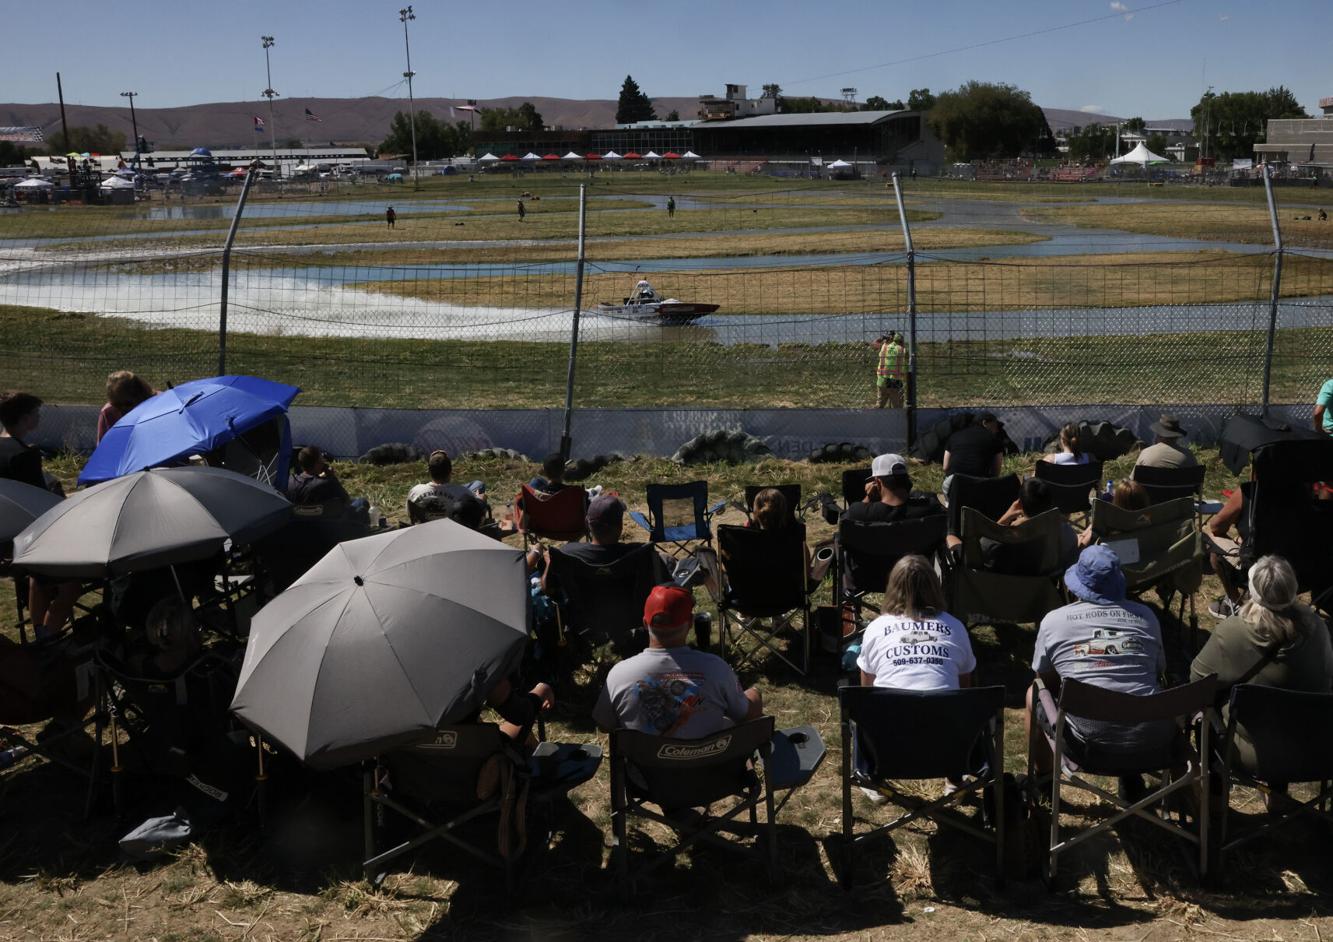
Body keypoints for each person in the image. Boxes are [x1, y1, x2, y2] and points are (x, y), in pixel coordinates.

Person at [1026, 545, 1172, 792]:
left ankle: (1044, 779)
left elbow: (1046, 683)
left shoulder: (1054, 621)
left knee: (1034, 693)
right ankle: (1131, 775)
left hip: (1085, 745)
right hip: (1148, 739)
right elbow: (1158, 671)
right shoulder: (1147, 616)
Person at [1190, 555, 1333, 801]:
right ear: (1294, 589)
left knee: (1206, 709)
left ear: (1253, 593)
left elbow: (1197, 682)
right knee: (1288, 698)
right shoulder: (1318, 627)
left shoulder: (1234, 632)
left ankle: (1214, 796)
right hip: (1316, 746)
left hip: (1257, 754)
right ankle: (1278, 791)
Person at [592, 584, 762, 738]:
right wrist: (755, 695)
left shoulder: (619, 674)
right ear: (689, 623)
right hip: (710, 769)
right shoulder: (716, 668)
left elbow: (604, 725)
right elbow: (746, 715)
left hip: (645, 770)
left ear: (645, 623)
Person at [857, 555, 975, 692]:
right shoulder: (956, 627)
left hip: (889, 710)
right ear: (935, 587)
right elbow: (964, 687)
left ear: (892, 587)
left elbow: (866, 691)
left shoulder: (875, 628)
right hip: (944, 711)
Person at [987, 477, 1079, 569]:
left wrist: (1005, 518)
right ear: (1050, 504)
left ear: (1020, 504)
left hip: (1004, 581)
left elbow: (983, 546)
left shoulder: (1007, 537)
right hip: (1041, 582)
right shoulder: (1065, 533)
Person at [844, 453, 944, 523]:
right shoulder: (930, 507)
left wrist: (868, 498)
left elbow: (846, 521)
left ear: (877, 483)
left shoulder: (858, 512)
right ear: (907, 480)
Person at [406, 450, 488, 529]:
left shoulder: (415, 491)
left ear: (429, 471)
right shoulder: (463, 493)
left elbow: (410, 514)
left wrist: (434, 460)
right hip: (454, 532)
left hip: (424, 531)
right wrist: (480, 501)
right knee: (479, 485)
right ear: (450, 471)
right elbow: (476, 516)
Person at [1077, 480, 1151, 548]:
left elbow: (1082, 546)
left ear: (1117, 501)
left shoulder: (1110, 522)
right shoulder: (1147, 522)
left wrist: (1092, 525)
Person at [942, 413, 1006, 486]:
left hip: (953, 485)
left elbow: (945, 467)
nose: (997, 430)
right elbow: (995, 472)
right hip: (977, 486)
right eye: (995, 426)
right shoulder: (995, 440)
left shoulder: (955, 436)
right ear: (984, 423)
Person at [286, 446, 351, 515]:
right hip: (324, 522)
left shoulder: (290, 481)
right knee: (361, 502)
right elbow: (346, 500)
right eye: (321, 460)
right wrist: (331, 476)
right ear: (317, 464)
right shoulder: (327, 483)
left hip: (297, 522)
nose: (323, 462)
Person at [97, 370, 155, 444]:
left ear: (141, 396)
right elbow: (103, 448)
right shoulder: (108, 412)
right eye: (117, 405)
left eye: (128, 404)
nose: (122, 409)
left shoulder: (156, 405)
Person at [874, 332, 905, 409]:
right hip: (894, 380)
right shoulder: (900, 349)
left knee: (880, 404)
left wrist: (881, 339)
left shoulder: (884, 347)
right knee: (897, 406)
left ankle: (875, 418)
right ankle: (897, 419)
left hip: (881, 379)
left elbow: (875, 345)